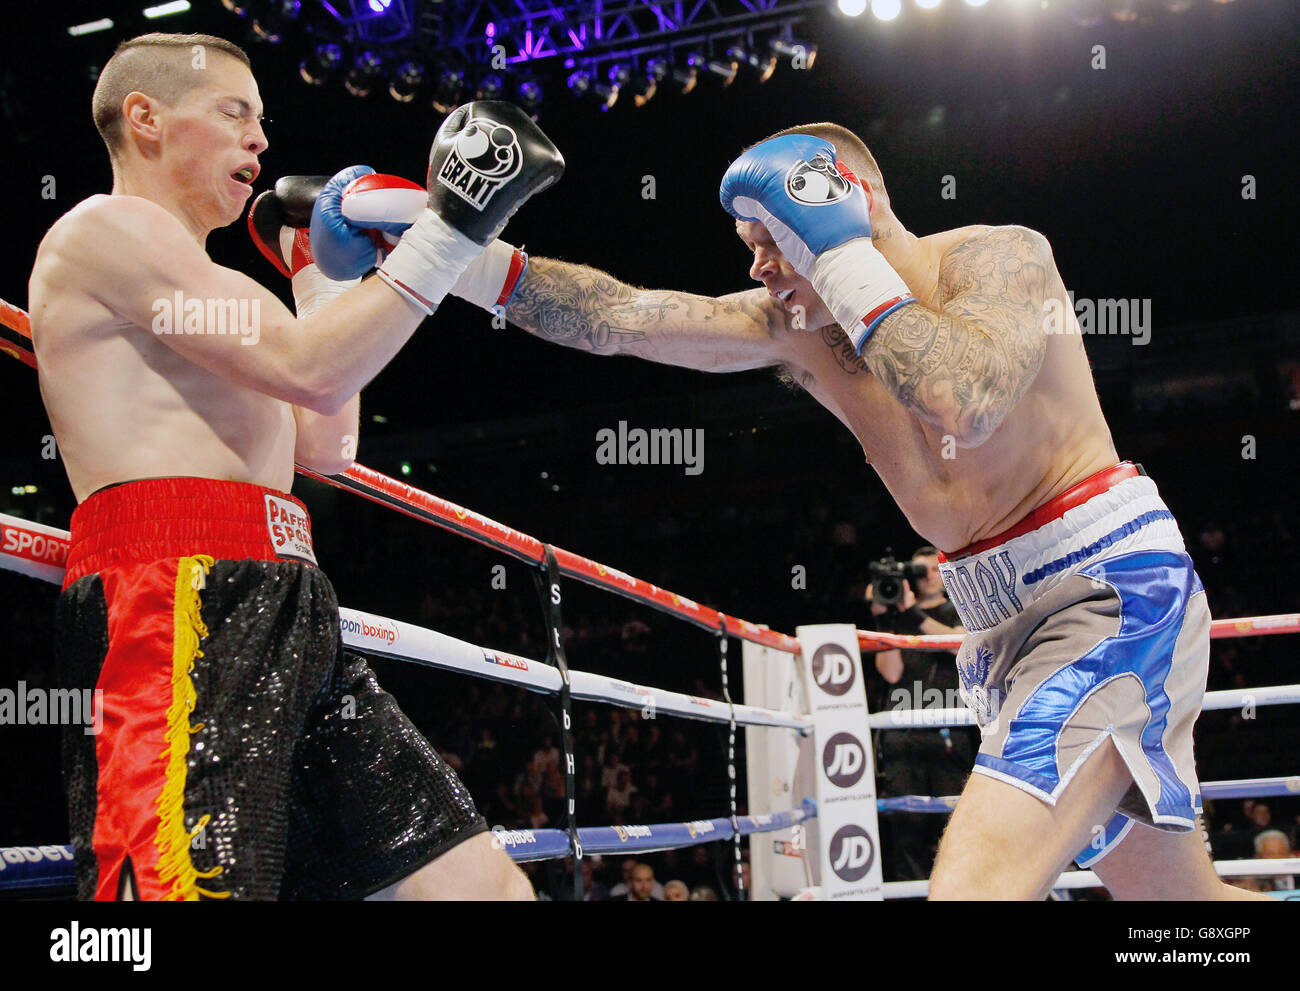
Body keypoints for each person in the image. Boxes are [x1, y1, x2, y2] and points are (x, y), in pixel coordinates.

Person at [463, 121, 1270, 900]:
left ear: (851, 203)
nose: (759, 267)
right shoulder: (798, 327)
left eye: (776, 238)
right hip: (996, 620)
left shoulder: (999, 258)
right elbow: (617, 316)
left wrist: (843, 256)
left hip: (1107, 592)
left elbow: (963, 400)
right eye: (751, 246)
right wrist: (456, 253)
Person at [29, 32, 561, 900]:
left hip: (291, 599)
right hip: (174, 595)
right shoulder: (102, 231)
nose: (259, 139)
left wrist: (319, 277)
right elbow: (310, 367)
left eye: (262, 120)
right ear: (146, 118)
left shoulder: (226, 288)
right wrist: (450, 227)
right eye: (233, 112)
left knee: (483, 888)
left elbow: (324, 442)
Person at [870, 546, 971, 881]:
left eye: (933, 568)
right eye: (919, 569)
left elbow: (958, 644)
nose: (927, 575)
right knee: (907, 833)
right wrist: (885, 619)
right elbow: (890, 673)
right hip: (903, 734)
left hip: (949, 735)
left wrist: (912, 613)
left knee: (952, 830)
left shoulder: (960, 607)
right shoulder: (899, 618)